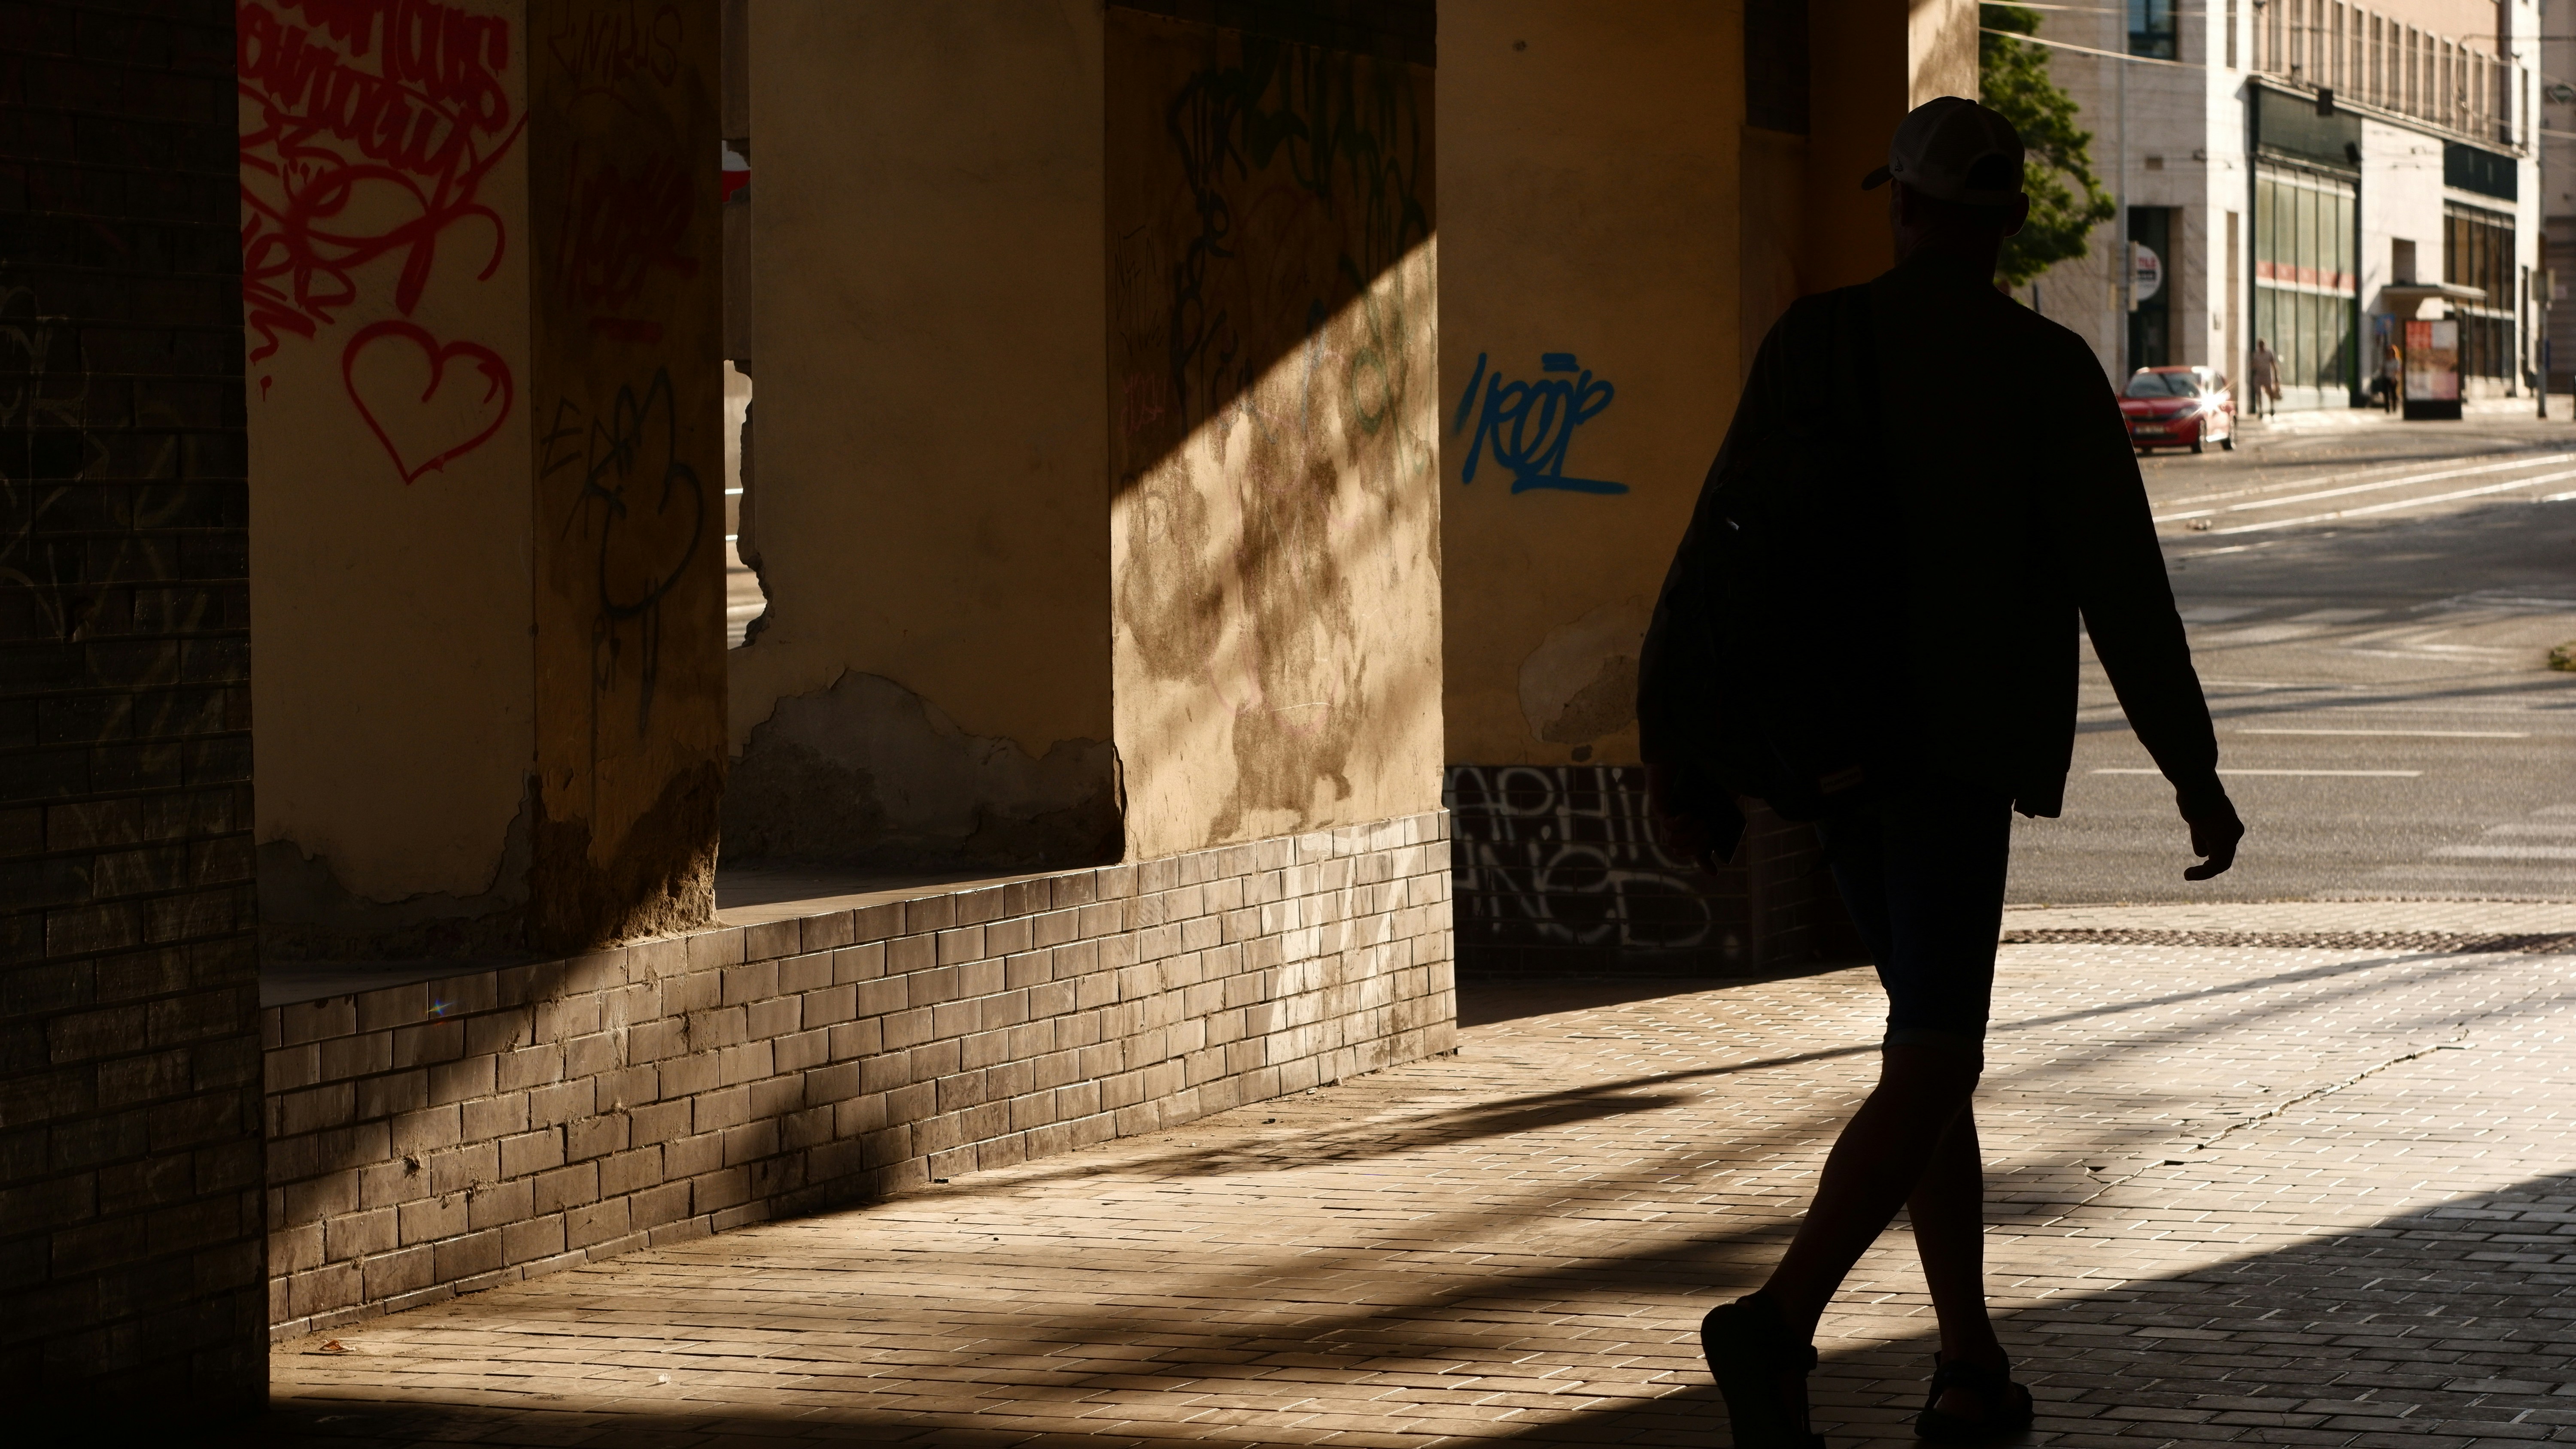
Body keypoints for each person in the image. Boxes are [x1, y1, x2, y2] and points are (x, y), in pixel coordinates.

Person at [1637, 97, 2245, 1449]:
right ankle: (1776, 1321)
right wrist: (2189, 773)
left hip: (1829, 761)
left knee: (1929, 1055)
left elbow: (1711, 548)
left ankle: (1967, 1359)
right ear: (2006, 224)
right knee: (1936, 1050)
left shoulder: (1817, 340)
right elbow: (2123, 597)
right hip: (1952, 766)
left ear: (1902, 209)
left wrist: (1669, 748)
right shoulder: (2042, 371)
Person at [2248, 337, 2280, 416]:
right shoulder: (2256, 354)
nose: (2261, 347)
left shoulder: (2270, 353)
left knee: (2270, 392)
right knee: (2259, 394)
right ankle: (2260, 410)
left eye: (2262, 345)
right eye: (2260, 345)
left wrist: (2277, 377)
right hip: (2259, 375)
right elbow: (2252, 364)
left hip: (2268, 375)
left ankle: (2272, 408)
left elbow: (2274, 364)